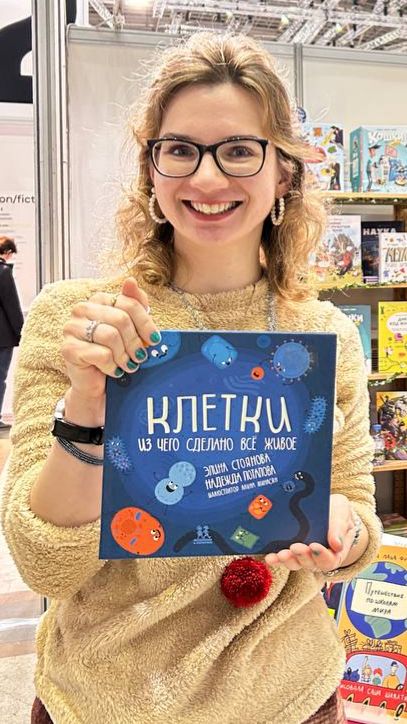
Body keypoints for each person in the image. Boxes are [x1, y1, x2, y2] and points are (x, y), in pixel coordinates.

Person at [2, 32, 381, 724]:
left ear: (283, 174)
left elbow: (357, 520)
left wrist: (340, 530)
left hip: (289, 699)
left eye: (238, 150)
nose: (206, 179)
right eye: (180, 150)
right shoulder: (80, 321)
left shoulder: (321, 334)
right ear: (150, 170)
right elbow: (45, 566)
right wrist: (87, 405)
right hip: (103, 702)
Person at [0, 236, 24, 430]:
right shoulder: (3, 272)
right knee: (0, 377)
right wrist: (21, 332)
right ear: (7, 252)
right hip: (2, 337)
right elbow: (12, 306)